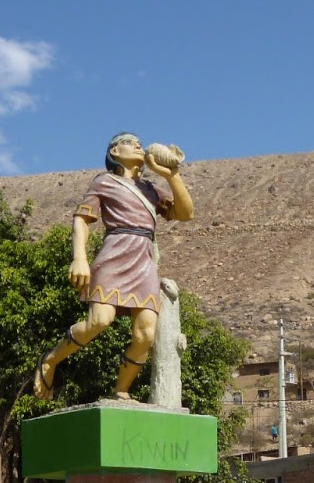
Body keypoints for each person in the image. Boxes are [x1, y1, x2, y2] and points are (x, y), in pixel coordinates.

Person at [33, 132, 195, 401]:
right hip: (115, 252)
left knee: (145, 335)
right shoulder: (104, 182)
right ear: (114, 152)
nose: (137, 144)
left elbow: (186, 213)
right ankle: (50, 359)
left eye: (138, 142)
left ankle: (121, 390)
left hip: (143, 259)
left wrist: (171, 174)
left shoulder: (151, 191)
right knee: (99, 320)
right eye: (129, 142)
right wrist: (80, 257)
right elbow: (82, 220)